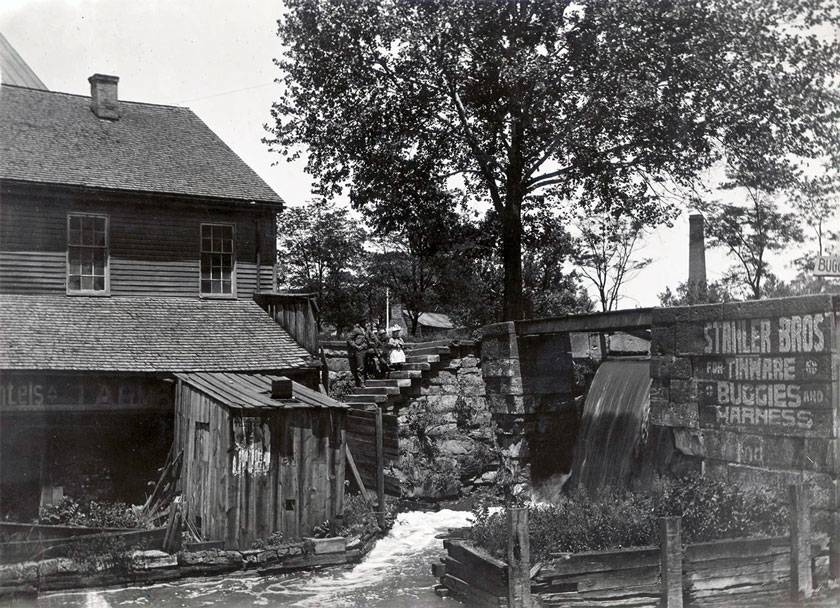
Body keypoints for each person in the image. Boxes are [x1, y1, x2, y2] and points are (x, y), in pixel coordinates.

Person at [347, 318, 368, 387]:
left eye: (365, 321)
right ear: (360, 322)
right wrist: (356, 346)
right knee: (360, 367)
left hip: (365, 349)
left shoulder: (366, 330)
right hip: (359, 350)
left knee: (366, 366)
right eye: (363, 322)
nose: (365, 323)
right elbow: (349, 339)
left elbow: (372, 338)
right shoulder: (356, 330)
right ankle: (361, 382)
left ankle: (366, 380)